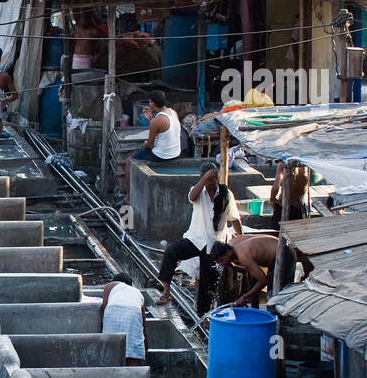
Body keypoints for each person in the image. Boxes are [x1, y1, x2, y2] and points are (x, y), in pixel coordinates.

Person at [155, 162, 242, 313]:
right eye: (209, 178)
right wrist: (204, 180)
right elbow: (192, 196)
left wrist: (241, 237)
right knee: (171, 252)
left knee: (207, 284)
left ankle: (204, 315)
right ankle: (166, 291)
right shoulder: (198, 192)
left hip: (214, 243)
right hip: (195, 240)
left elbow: (234, 219)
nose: (212, 182)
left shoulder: (226, 194)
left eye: (214, 178)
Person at [209, 233, 311, 306]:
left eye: (222, 260)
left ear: (227, 253)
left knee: (279, 294)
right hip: (278, 249)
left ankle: (281, 321)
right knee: (254, 282)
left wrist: (245, 297)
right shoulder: (233, 242)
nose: (222, 264)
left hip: (284, 254)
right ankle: (256, 309)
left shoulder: (243, 256)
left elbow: (263, 280)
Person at [125, 91, 181, 197]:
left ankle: (128, 195)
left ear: (152, 103)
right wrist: (151, 119)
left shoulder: (156, 121)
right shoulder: (173, 112)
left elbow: (150, 145)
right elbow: (164, 133)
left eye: (150, 102)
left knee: (129, 161)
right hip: (176, 152)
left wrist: (145, 144)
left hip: (162, 155)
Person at [99, 272, 146, 366]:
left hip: (112, 309)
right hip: (134, 311)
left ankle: (112, 374)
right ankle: (134, 376)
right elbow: (143, 322)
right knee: (133, 349)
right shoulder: (137, 292)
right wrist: (144, 343)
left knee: (111, 347)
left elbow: (104, 309)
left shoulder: (110, 286)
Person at [268, 159, 309, 231]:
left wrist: (272, 199)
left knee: (278, 234)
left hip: (285, 206)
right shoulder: (305, 165)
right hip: (299, 207)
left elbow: (276, 186)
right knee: (297, 234)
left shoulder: (284, 165)